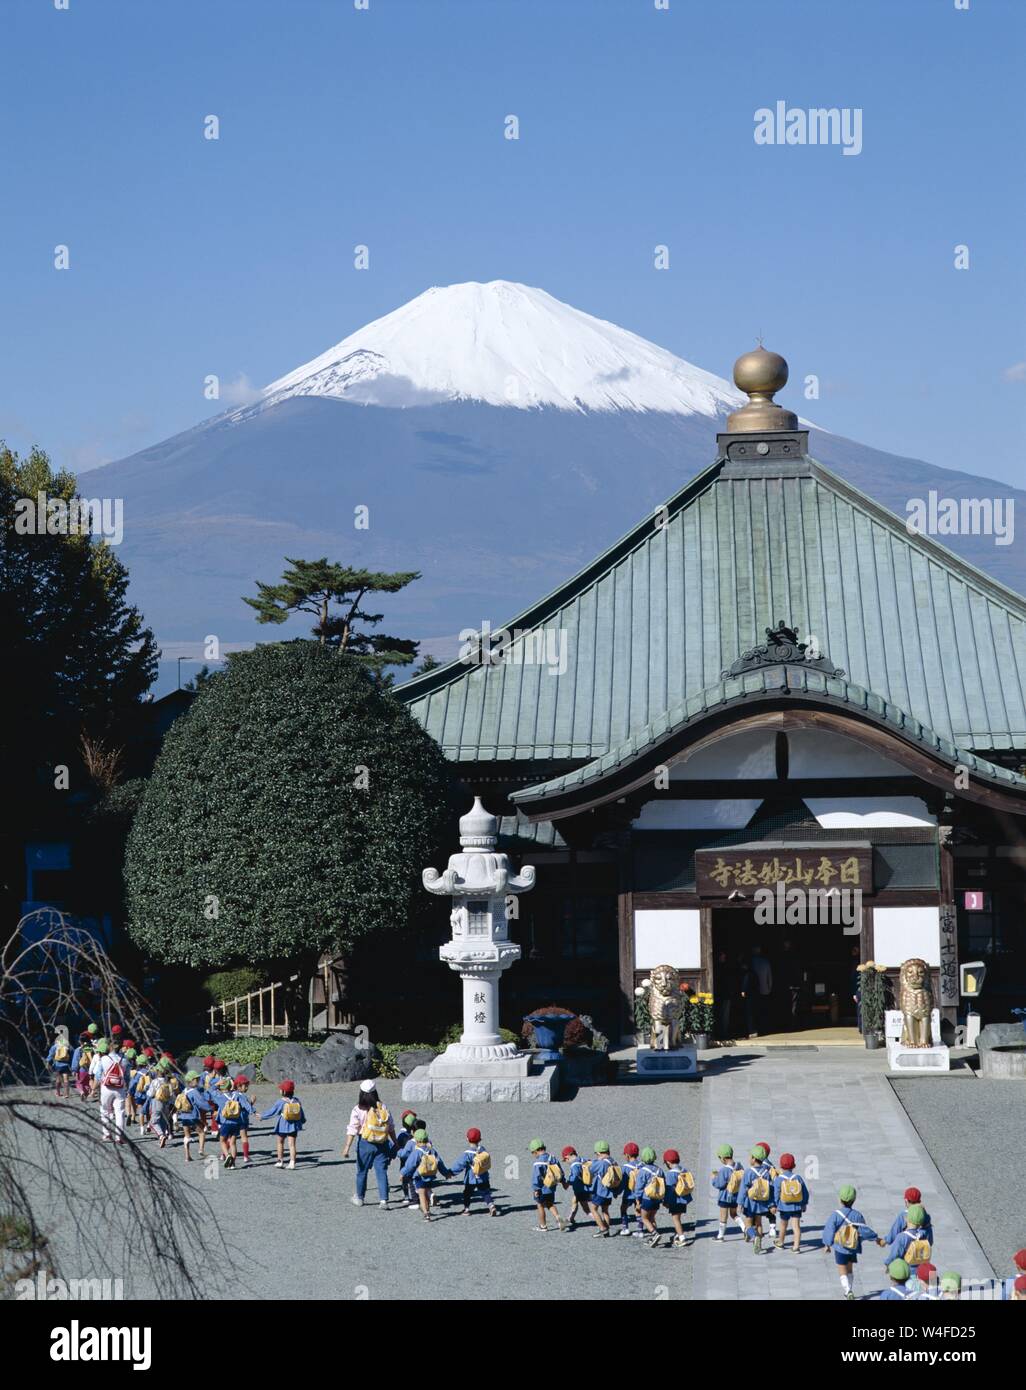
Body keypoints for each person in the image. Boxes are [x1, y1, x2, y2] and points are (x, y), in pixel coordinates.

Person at [822, 1185, 885, 1300]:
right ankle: (849, 1289)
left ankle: (848, 1291)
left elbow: (829, 1230)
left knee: (842, 1270)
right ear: (854, 1200)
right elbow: (864, 1230)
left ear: (840, 1200)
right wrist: (876, 1238)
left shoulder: (835, 1214)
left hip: (840, 1247)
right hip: (853, 1246)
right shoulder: (857, 1215)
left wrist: (827, 1244)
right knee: (850, 1269)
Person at [341, 1079, 396, 1208]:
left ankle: (360, 1198)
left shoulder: (357, 1109)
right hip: (382, 1143)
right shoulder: (382, 1107)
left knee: (362, 1171)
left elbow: (353, 1128)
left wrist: (347, 1147)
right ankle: (384, 1200)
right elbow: (391, 1126)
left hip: (365, 1143)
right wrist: (396, 1142)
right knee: (381, 1171)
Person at [401, 1128, 451, 1222]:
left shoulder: (416, 1152)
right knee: (426, 1193)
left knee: (422, 1195)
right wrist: (446, 1173)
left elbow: (409, 1165)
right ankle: (428, 1207)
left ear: (416, 1140)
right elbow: (439, 1163)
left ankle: (426, 1214)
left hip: (419, 1176)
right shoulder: (432, 1151)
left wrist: (403, 1173)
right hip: (431, 1175)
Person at [449, 1127, 498, 1216]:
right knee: (486, 1192)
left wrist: (451, 1172)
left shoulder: (467, 1153)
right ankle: (491, 1205)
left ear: (467, 1139)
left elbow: (460, 1165)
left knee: (467, 1193)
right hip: (483, 1176)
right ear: (480, 1139)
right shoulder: (483, 1150)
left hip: (471, 1178)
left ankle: (466, 1209)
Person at [260, 1079, 305, 1170]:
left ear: (284, 1091)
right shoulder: (297, 1101)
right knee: (292, 1144)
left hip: (282, 1125)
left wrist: (262, 1116)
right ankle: (292, 1162)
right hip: (294, 1126)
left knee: (280, 1142)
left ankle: (280, 1161)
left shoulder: (281, 1102)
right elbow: (301, 1113)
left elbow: (273, 1112)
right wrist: (302, 1121)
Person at [739, 1144, 775, 1253]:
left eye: (750, 1156)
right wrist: (771, 1204)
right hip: (762, 1203)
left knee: (748, 1223)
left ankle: (755, 1238)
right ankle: (759, 1242)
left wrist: (740, 1203)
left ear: (754, 1159)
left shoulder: (749, 1172)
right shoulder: (766, 1172)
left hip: (750, 1203)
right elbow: (770, 1188)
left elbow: (743, 1189)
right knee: (759, 1223)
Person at [882, 1203, 932, 1280]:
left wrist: (887, 1264)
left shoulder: (902, 1237)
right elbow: (930, 1242)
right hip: (921, 1270)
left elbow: (894, 1254)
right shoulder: (925, 1233)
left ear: (906, 1219)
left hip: (907, 1272)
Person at [773, 1153, 809, 1252]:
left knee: (783, 1225)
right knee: (796, 1226)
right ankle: (796, 1247)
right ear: (794, 1166)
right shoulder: (798, 1178)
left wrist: (775, 1204)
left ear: (780, 1166)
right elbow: (804, 1192)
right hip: (797, 1206)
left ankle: (781, 1242)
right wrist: (804, 1203)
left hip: (784, 1206)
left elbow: (776, 1194)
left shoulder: (779, 1179)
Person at [173, 1071, 213, 1162]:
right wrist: (210, 1109)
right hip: (193, 1116)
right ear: (193, 1080)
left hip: (183, 1117)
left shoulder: (184, 1091)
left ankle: (187, 1156)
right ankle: (201, 1149)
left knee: (186, 1136)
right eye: (197, 1079)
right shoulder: (194, 1092)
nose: (198, 1081)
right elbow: (201, 1103)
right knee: (201, 1131)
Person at [96, 1038, 130, 1143]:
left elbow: (98, 1075)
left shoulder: (104, 1059)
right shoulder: (124, 1060)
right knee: (119, 1112)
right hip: (120, 1088)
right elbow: (127, 1076)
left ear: (110, 1047)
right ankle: (119, 1136)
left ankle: (106, 1135)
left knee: (105, 1111)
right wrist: (126, 1087)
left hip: (106, 1087)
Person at [585, 1140, 621, 1239]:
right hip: (610, 1191)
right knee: (605, 1210)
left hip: (600, 1191)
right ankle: (607, 1229)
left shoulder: (601, 1163)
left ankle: (602, 1228)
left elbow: (590, 1169)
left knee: (593, 1208)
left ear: (599, 1153)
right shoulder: (613, 1161)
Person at [528, 1139, 564, 1233]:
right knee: (550, 1204)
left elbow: (536, 1178)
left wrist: (536, 1189)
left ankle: (543, 1226)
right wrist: (563, 1181)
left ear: (535, 1151)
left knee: (540, 1205)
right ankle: (559, 1219)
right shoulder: (553, 1158)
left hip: (542, 1189)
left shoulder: (538, 1163)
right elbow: (560, 1171)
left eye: (532, 1153)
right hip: (552, 1186)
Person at [661, 1149, 695, 1248]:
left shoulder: (671, 1174)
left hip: (675, 1200)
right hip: (684, 1199)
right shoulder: (684, 1170)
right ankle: (677, 1234)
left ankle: (682, 1238)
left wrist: (666, 1201)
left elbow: (670, 1190)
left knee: (676, 1219)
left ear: (668, 1162)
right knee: (678, 1218)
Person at [634, 1147, 665, 1248]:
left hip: (647, 1198)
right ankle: (654, 1237)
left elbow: (639, 1187)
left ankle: (655, 1234)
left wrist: (638, 1200)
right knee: (652, 1218)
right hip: (657, 1198)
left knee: (644, 1218)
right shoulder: (659, 1170)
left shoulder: (643, 1171)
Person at [711, 1143, 744, 1240]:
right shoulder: (739, 1166)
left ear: (723, 1158)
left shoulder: (724, 1170)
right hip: (735, 1195)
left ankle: (720, 1236)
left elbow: (719, 1184)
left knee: (723, 1216)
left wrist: (714, 1178)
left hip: (725, 1197)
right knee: (734, 1214)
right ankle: (744, 1228)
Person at [562, 1146, 591, 1229]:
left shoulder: (574, 1165)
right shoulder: (583, 1160)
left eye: (565, 1159)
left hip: (581, 1189)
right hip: (588, 1186)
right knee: (574, 1200)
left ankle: (600, 1222)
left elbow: (574, 1176)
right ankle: (570, 1218)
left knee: (587, 1210)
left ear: (568, 1156)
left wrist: (567, 1182)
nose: (566, 1162)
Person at [618, 1141, 641, 1237]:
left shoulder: (625, 1167)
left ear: (627, 1155)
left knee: (623, 1208)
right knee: (638, 1210)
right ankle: (640, 1230)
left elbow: (622, 1183)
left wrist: (617, 1191)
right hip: (639, 1193)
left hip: (629, 1193)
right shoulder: (642, 1165)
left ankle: (625, 1228)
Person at [749, 946, 773, 1036]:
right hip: (765, 990)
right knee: (764, 1011)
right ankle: (764, 1028)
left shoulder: (751, 962)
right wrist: (769, 988)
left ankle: (755, 1029)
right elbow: (769, 977)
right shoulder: (765, 962)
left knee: (754, 1011)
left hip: (753, 991)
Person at [234, 1074, 256, 1165]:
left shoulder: (232, 1094)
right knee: (244, 1137)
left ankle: (226, 1154)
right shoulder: (241, 1096)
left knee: (232, 1138)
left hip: (232, 1119)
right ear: (239, 1086)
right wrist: (252, 1105)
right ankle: (246, 1156)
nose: (247, 1087)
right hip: (242, 1118)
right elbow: (246, 1106)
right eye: (245, 1085)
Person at [45, 1032, 73, 1098]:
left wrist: (47, 1063)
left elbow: (50, 1055)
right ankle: (67, 1094)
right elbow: (72, 1053)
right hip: (65, 1065)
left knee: (58, 1080)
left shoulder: (55, 1046)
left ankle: (58, 1092)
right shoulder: (67, 1046)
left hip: (57, 1065)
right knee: (66, 1080)